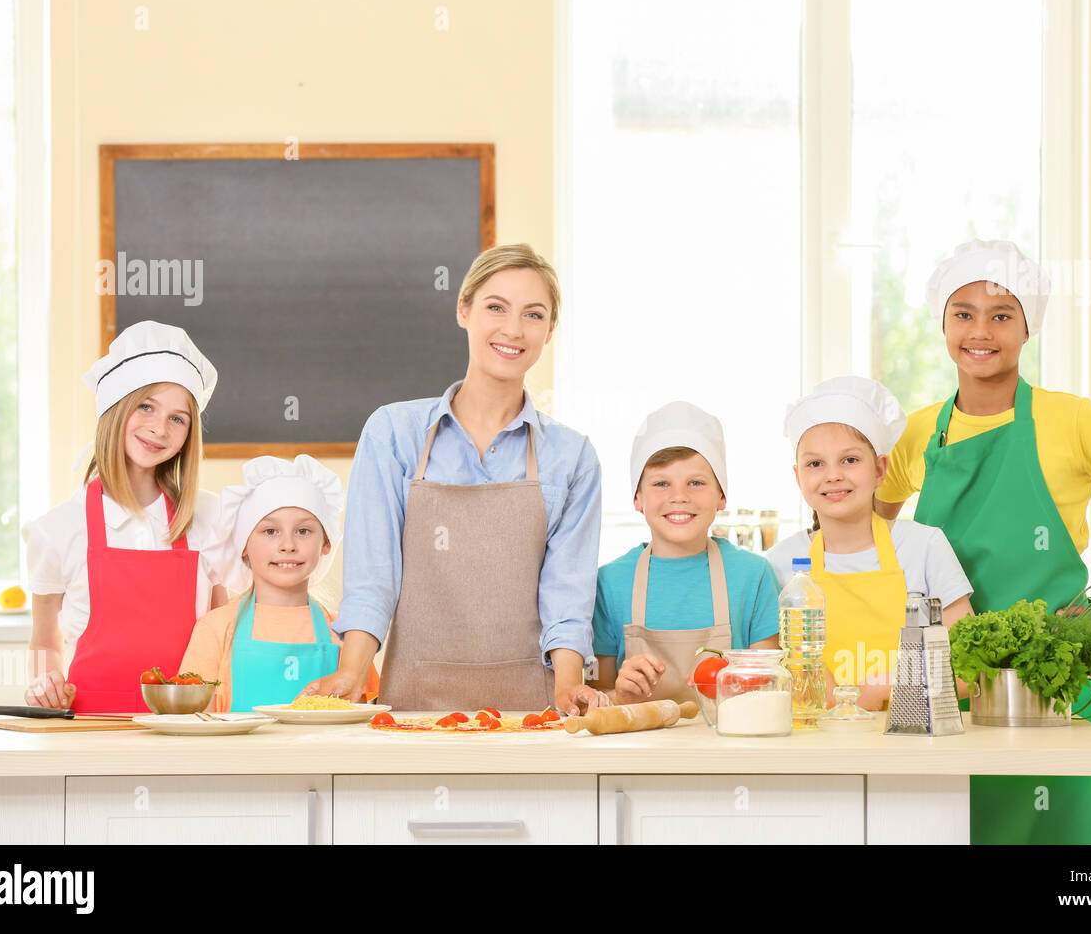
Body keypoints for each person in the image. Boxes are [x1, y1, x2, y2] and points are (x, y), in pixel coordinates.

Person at [875, 238, 1091, 844]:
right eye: (963, 313)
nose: (980, 331)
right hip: (948, 686)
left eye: (1002, 315)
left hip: (1058, 682)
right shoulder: (915, 433)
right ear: (942, 322)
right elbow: (869, 546)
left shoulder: (1073, 420)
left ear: (1027, 328)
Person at [307, 244, 606, 714]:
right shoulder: (393, 433)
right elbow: (372, 579)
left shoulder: (572, 457)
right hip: (411, 710)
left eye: (533, 314)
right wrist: (350, 673)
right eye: (496, 308)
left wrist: (569, 686)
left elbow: (566, 598)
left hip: (531, 715)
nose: (512, 329)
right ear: (463, 310)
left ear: (550, 331)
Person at [23, 321, 225, 712]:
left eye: (177, 418)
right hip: (91, 728)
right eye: (146, 406)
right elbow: (44, 643)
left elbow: (222, 633)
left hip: (188, 727)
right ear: (115, 407)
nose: (159, 428)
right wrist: (41, 684)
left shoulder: (209, 517)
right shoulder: (56, 530)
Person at [767, 377, 974, 710]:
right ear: (798, 477)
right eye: (815, 464)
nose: (833, 475)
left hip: (913, 743)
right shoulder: (779, 561)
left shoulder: (925, 547)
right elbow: (770, 670)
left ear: (880, 470)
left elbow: (969, 664)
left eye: (850, 460)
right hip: (818, 747)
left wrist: (885, 688)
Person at [591, 403, 780, 705]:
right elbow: (597, 696)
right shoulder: (609, 583)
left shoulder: (753, 576)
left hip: (735, 748)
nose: (679, 496)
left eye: (696, 482)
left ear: (721, 496)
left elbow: (772, 689)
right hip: (639, 751)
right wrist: (620, 694)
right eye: (661, 483)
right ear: (637, 498)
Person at [180, 455, 378, 711]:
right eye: (270, 531)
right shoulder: (216, 629)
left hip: (324, 753)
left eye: (303, 531)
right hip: (237, 753)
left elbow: (366, 718)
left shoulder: (347, 634)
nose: (288, 545)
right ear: (243, 545)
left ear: (326, 544)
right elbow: (195, 723)